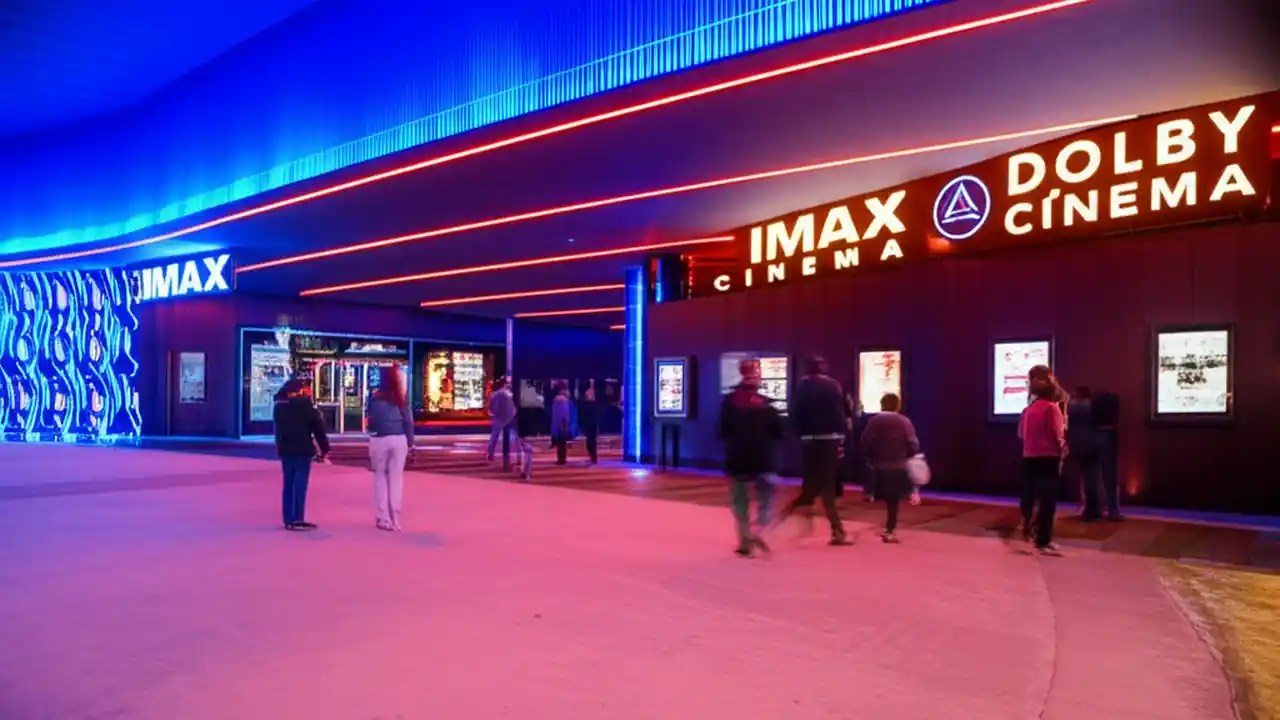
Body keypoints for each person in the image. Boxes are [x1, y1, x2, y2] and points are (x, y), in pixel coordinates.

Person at [778, 356, 851, 546]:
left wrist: (799, 434)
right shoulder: (833, 385)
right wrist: (842, 435)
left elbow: (794, 414)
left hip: (809, 440)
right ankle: (837, 530)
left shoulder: (801, 387)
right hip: (830, 440)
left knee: (811, 483)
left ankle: (781, 518)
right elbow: (843, 412)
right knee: (827, 484)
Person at [718, 358, 784, 557]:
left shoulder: (729, 402)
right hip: (763, 459)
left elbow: (721, 431)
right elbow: (779, 432)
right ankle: (760, 528)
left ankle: (745, 540)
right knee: (768, 494)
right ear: (758, 377)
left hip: (737, 458)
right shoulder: (766, 404)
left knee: (740, 501)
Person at [860, 393, 920, 544]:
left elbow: (865, 442)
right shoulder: (904, 421)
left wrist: (870, 457)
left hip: (878, 466)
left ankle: (872, 495)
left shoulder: (874, 421)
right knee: (893, 501)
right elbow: (913, 443)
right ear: (897, 405)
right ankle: (890, 529)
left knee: (883, 496)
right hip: (898, 466)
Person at [273, 378, 330, 531]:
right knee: (300, 484)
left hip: (286, 449)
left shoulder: (279, 406)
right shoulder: (305, 406)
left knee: (288, 484)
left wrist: (280, 447)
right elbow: (318, 428)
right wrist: (324, 448)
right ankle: (297, 518)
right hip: (302, 449)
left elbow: (278, 431)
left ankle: (289, 518)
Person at [1019, 377, 1068, 555]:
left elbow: (1022, 434)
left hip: (1029, 456)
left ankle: (1028, 527)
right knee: (1048, 500)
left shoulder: (1029, 409)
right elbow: (1057, 434)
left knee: (1031, 494)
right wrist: (1063, 448)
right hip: (1048, 457)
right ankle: (1044, 539)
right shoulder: (1051, 408)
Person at [367, 367, 415, 531]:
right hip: (399, 438)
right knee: (396, 479)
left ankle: (383, 518)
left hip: (379, 439)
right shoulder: (400, 398)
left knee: (380, 478)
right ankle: (396, 518)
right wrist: (411, 442)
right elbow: (408, 421)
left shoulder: (374, 398)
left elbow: (371, 421)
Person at [1066, 386, 1103, 521]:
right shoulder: (1091, 408)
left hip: (1078, 445)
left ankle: (1089, 508)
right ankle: (1094, 510)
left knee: (1086, 478)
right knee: (1092, 478)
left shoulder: (1070, 408)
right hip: (1093, 444)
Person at [1092, 389, 1123, 520]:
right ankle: (1113, 511)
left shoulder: (1094, 408)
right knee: (1110, 476)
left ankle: (1096, 509)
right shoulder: (1113, 406)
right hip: (1109, 436)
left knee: (1094, 475)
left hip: (1095, 435)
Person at [486, 377, 517, 463]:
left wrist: (493, 413)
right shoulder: (510, 394)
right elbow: (514, 407)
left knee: (494, 436)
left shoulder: (495, 394)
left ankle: (491, 452)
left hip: (498, 417)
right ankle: (509, 456)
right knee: (510, 437)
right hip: (508, 418)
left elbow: (491, 407)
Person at [578, 384, 601, 465]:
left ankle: (593, 456)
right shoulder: (584, 404)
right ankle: (593, 456)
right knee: (589, 442)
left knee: (592, 441)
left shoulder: (595, 405)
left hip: (593, 424)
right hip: (588, 424)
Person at [550, 383, 573, 465]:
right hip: (563, 422)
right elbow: (565, 413)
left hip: (558, 423)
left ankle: (560, 458)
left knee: (560, 442)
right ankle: (562, 458)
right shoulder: (564, 400)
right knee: (562, 442)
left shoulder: (556, 400)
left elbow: (555, 413)